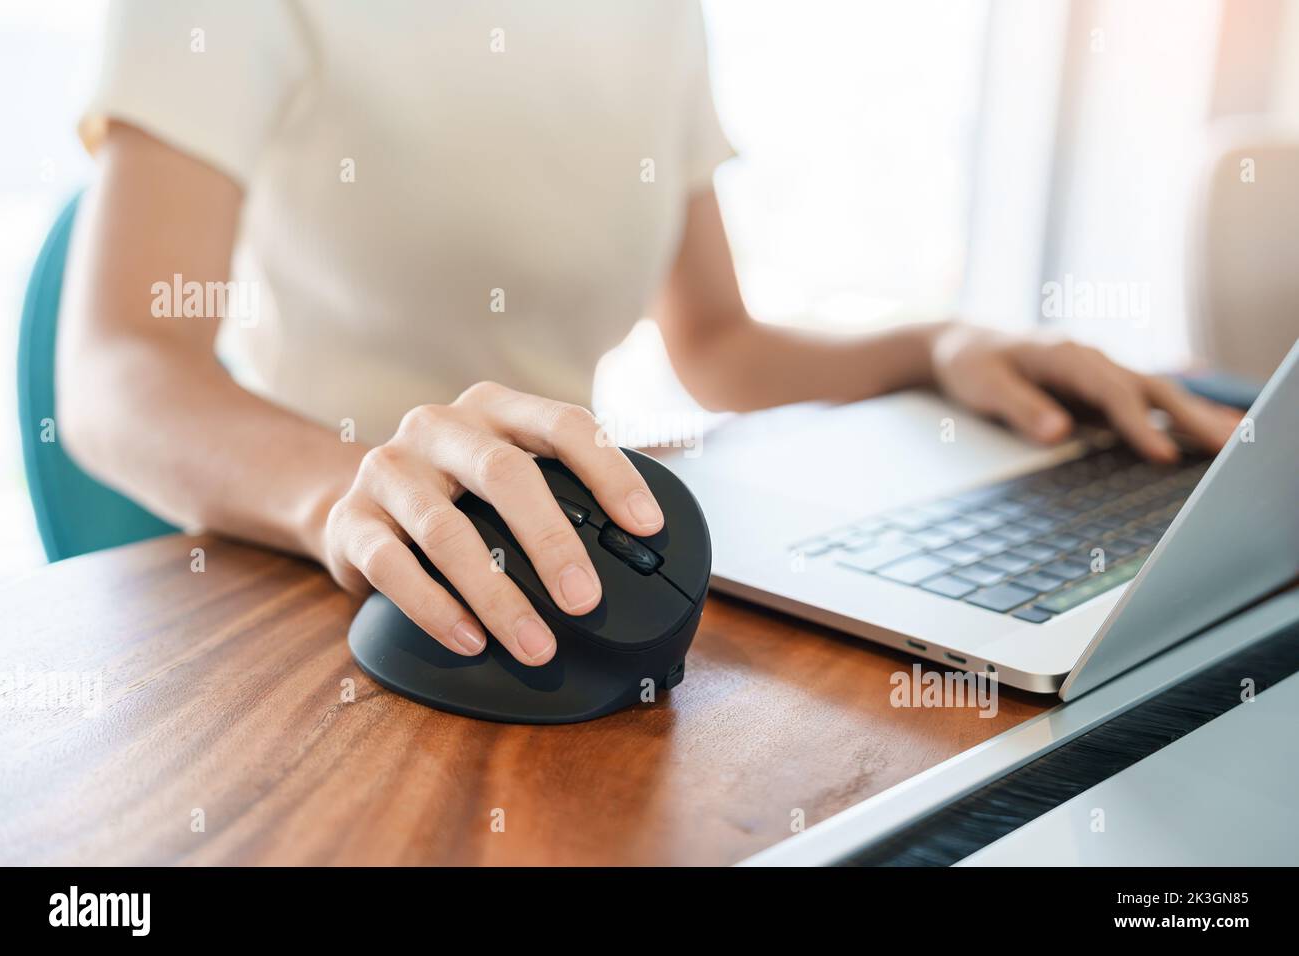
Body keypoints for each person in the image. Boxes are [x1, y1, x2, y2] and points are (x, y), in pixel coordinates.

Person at [60, 1, 1239, 669]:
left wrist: (936, 347)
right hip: (323, 583)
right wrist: (343, 499)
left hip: (558, 570)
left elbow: (716, 343)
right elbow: (117, 367)